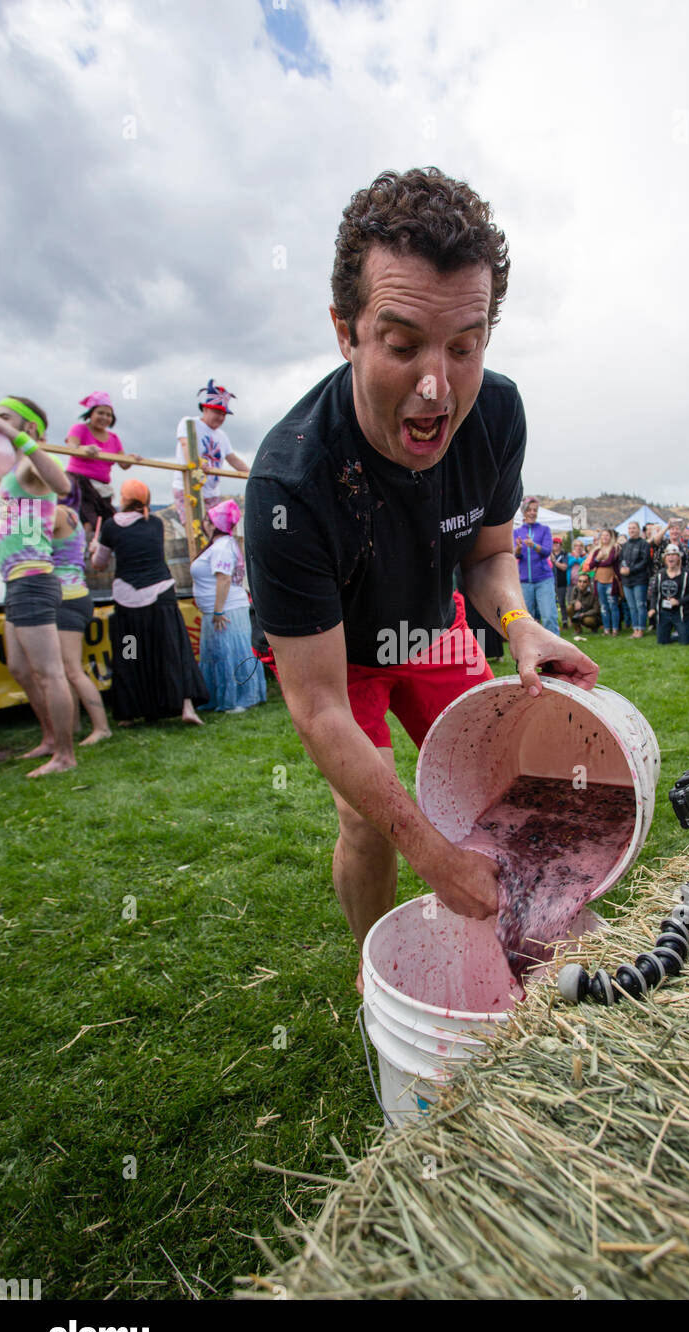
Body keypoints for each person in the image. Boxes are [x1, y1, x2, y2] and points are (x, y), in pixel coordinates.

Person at [244, 167, 598, 979]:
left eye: (465, 346)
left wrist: (516, 621)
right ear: (347, 330)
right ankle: (380, 973)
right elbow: (319, 703)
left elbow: (486, 553)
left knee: (503, 777)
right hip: (343, 662)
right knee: (368, 821)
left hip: (433, 631)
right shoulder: (290, 483)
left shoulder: (498, 413)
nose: (438, 386)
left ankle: (527, 951)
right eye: (403, 346)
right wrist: (433, 855)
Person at [0, 395, 78, 776]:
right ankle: (49, 738)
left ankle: (65, 755)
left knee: (50, 671)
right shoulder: (11, 472)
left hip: (35, 579)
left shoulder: (31, 462)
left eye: (5, 416)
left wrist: (20, 438)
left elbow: (62, 483)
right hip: (15, 582)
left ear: (29, 426)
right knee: (20, 668)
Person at [91, 478, 208, 724]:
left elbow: (99, 564)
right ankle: (186, 706)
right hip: (160, 595)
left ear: (123, 498)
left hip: (128, 600)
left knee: (130, 654)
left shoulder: (111, 526)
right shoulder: (154, 522)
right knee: (172, 651)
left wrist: (95, 547)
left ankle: (130, 712)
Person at [190, 497, 266, 712]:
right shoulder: (223, 545)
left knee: (228, 656)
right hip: (225, 609)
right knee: (221, 655)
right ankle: (221, 697)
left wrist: (217, 610)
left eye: (208, 520)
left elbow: (223, 579)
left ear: (215, 524)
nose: (205, 524)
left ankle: (236, 699)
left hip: (226, 611)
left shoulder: (222, 547)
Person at [51, 503, 112, 744]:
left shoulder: (52, 515)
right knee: (65, 669)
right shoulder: (68, 514)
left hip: (67, 598)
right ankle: (72, 723)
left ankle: (101, 727)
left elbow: (30, 547)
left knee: (72, 669)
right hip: (73, 595)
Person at [172, 381, 249, 526]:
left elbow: (232, 458)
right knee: (196, 531)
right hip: (189, 488)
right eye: (217, 413)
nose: (221, 418)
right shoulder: (189, 423)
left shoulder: (222, 436)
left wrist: (252, 474)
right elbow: (185, 445)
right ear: (205, 409)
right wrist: (197, 464)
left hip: (211, 493)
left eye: (223, 414)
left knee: (216, 531)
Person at [64, 393, 137, 533]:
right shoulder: (80, 429)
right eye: (100, 413)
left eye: (108, 415)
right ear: (91, 414)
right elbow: (71, 447)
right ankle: (82, 549)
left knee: (108, 522)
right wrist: (83, 449)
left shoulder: (114, 438)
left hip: (102, 488)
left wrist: (132, 459)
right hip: (80, 483)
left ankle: (100, 551)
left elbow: (123, 464)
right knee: (87, 520)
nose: (104, 418)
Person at [513, 497, 559, 634]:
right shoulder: (517, 532)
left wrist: (533, 545)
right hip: (525, 581)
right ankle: (532, 651)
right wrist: (519, 549)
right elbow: (516, 555)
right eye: (529, 510)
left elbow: (546, 551)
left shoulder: (544, 530)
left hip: (544, 579)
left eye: (535, 510)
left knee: (549, 616)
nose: (532, 513)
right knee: (528, 619)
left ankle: (555, 651)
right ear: (524, 512)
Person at [648, 544, 689, 645]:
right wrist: (652, 608)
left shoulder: (687, 574)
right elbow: (655, 593)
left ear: (678, 557)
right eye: (668, 555)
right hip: (664, 612)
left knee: (685, 642)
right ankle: (674, 635)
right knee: (662, 642)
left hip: (680, 613)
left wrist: (678, 601)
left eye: (674, 555)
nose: (671, 557)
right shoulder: (660, 574)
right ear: (665, 558)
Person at [584, 528, 621, 635]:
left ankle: (615, 629)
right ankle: (606, 628)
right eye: (603, 535)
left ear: (611, 537)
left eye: (607, 535)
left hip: (610, 580)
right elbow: (590, 566)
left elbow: (610, 561)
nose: (605, 537)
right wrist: (597, 559)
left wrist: (598, 561)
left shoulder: (614, 548)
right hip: (599, 580)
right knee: (603, 606)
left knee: (613, 605)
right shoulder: (596, 550)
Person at [619, 520, 651, 638]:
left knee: (640, 605)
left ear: (638, 530)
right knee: (631, 606)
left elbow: (645, 561)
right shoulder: (625, 545)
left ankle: (641, 629)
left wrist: (631, 570)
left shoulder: (644, 544)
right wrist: (622, 569)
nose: (631, 530)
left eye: (634, 528)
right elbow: (621, 560)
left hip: (639, 579)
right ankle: (635, 628)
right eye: (630, 528)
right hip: (627, 580)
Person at [550, 534, 569, 629]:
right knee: (552, 603)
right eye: (553, 543)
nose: (555, 545)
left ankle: (565, 621)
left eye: (557, 543)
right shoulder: (548, 554)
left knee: (561, 602)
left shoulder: (564, 554)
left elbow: (564, 567)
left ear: (560, 545)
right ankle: (554, 623)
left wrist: (554, 562)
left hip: (561, 582)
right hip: (550, 582)